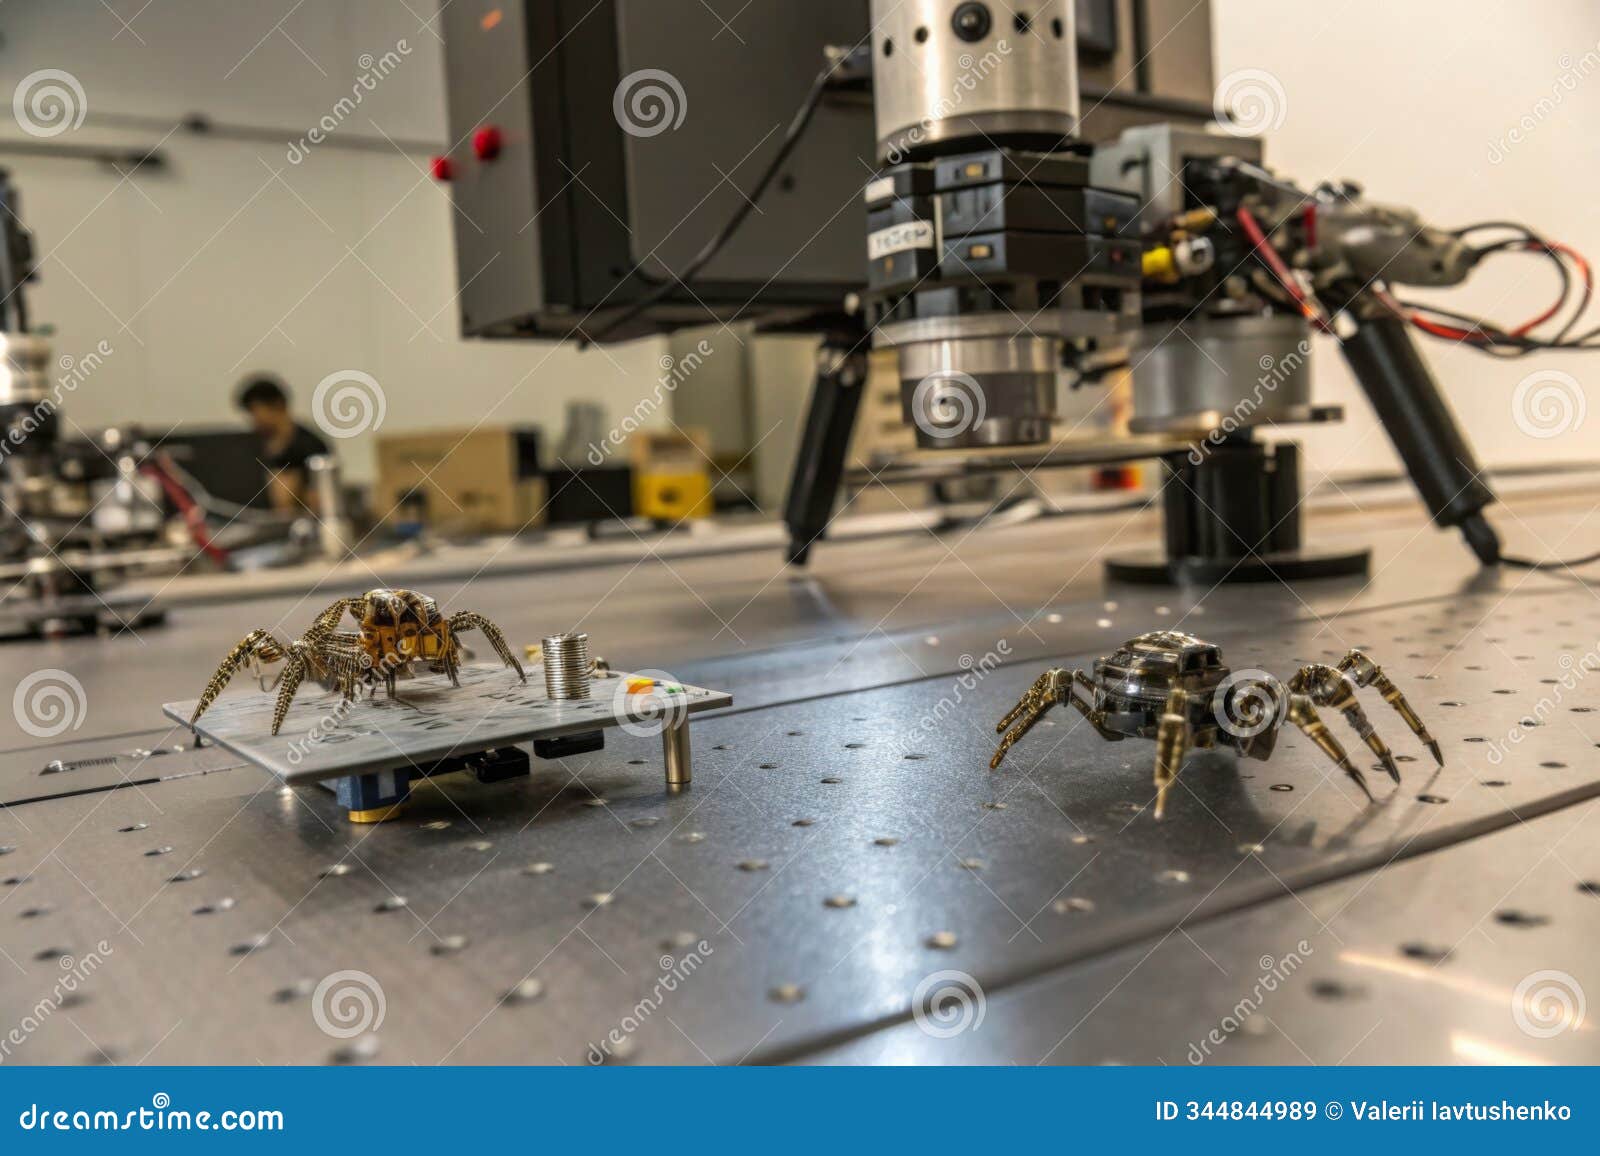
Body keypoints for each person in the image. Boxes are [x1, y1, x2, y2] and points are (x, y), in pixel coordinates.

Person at [235, 374, 330, 514]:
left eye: (256, 411)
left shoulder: (311, 445)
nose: (253, 420)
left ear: (278, 405)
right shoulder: (252, 446)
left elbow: (322, 499)